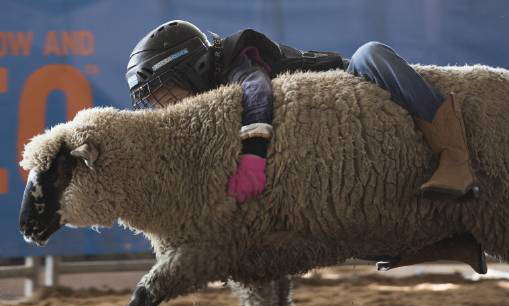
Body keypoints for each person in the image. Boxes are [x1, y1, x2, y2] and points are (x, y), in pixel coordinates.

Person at [125, 20, 486, 273]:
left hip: (348, 90)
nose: (162, 105)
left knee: (371, 52)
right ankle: (447, 243)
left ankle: (454, 157)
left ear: (193, 67)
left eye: (165, 91)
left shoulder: (238, 58)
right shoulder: (210, 118)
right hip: (318, 150)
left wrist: (251, 155)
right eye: (154, 99)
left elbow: (256, 90)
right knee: (326, 218)